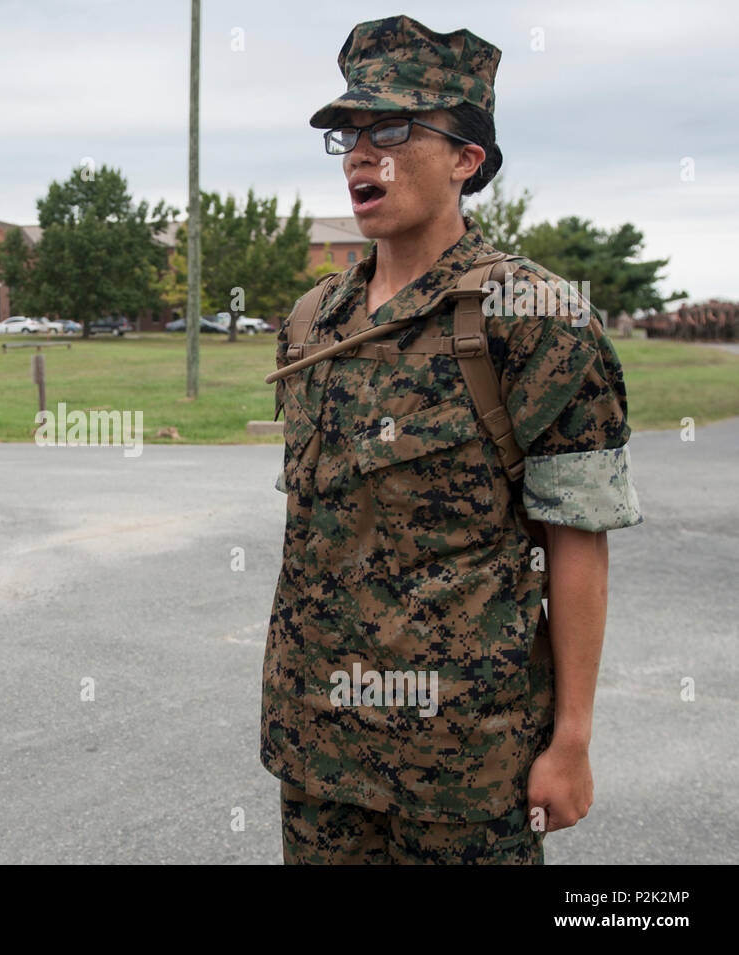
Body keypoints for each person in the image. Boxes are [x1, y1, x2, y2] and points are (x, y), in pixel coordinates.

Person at [261, 16, 643, 864]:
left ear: (468, 158)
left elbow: (576, 541)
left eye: (393, 128)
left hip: (466, 768)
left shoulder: (537, 322)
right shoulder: (312, 321)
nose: (363, 152)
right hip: (318, 751)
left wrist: (571, 739)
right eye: (350, 134)